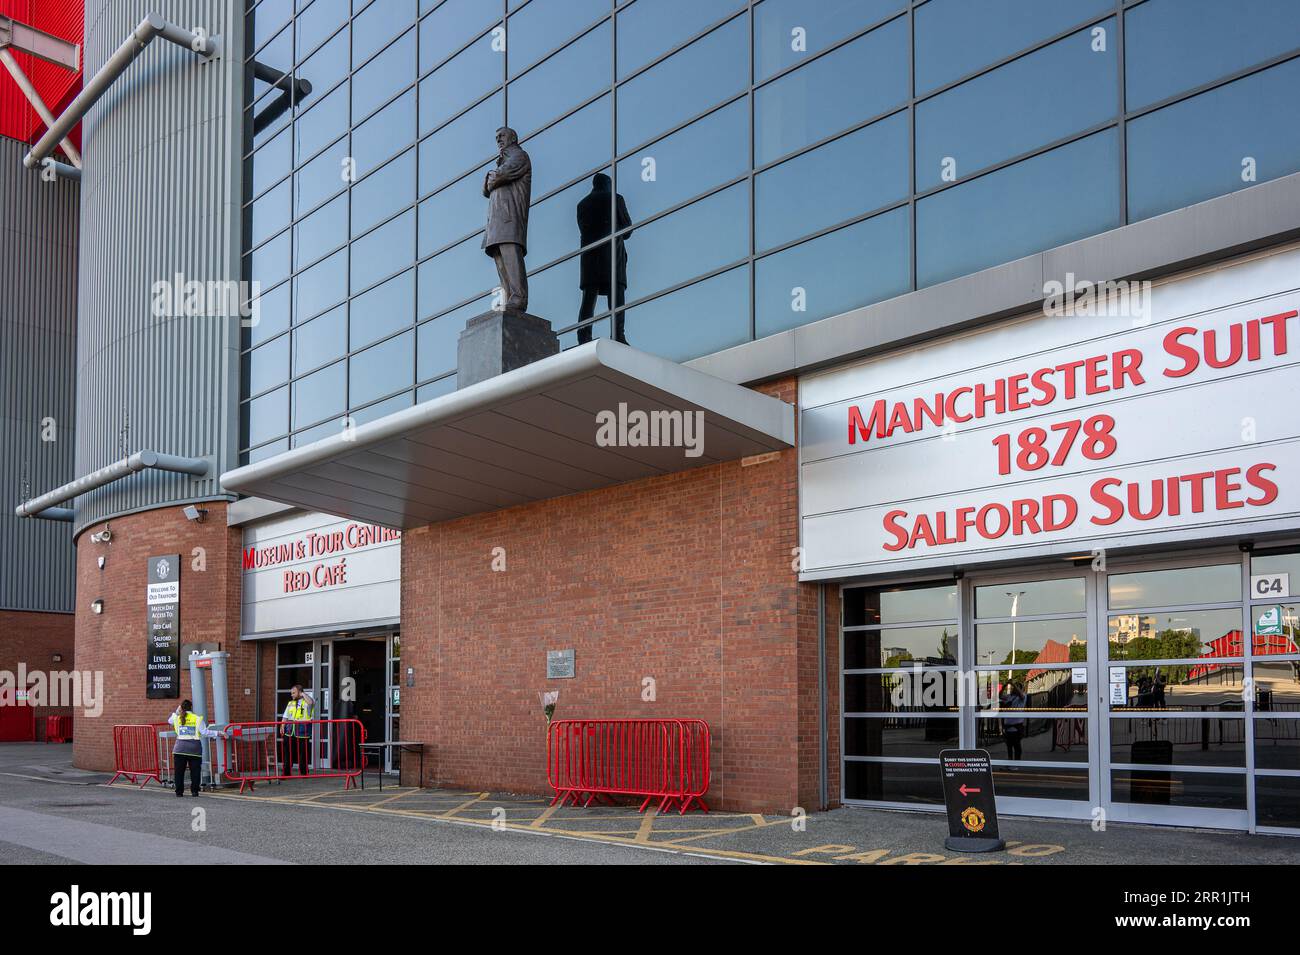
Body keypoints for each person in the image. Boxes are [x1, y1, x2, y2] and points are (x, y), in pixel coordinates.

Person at [575, 173, 633, 345]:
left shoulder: (582, 204)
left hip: (590, 258)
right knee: (616, 296)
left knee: (588, 298)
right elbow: (628, 230)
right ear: (607, 184)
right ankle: (618, 335)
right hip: (612, 255)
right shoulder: (616, 199)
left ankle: (584, 336)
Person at [482, 126, 532, 313]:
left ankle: (518, 297)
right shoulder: (502, 161)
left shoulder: (519, 155)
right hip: (497, 221)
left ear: (512, 138)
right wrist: (491, 177)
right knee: (500, 259)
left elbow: (497, 177)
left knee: (511, 257)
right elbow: (486, 189)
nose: (498, 140)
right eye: (496, 137)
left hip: (509, 219)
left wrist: (490, 176)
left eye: (501, 136)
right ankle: (509, 296)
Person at [168, 699, 211, 796]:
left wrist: (177, 711)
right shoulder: (197, 718)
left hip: (180, 749)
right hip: (194, 750)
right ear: (191, 707)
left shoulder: (177, 718)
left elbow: (169, 720)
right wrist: (219, 733)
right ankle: (195, 791)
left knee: (179, 772)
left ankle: (179, 792)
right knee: (195, 771)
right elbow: (205, 732)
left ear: (181, 708)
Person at [280, 685, 315, 776]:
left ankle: (304, 772)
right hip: (290, 731)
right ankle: (286, 772)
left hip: (303, 731)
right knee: (287, 753)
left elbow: (311, 702)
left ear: (299, 692)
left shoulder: (307, 702)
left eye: (294, 692)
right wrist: (282, 726)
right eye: (291, 693)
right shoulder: (290, 703)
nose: (292, 695)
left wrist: (302, 694)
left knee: (303, 753)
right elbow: (285, 716)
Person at [1001, 681, 1027, 760]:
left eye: (1017, 687)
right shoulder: (1009, 696)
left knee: (1016, 746)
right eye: (1014, 687)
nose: (1014, 689)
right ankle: (1010, 763)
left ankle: (1016, 764)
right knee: (1009, 746)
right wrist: (1005, 685)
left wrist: (1013, 684)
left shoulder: (1022, 697)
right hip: (1008, 726)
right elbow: (999, 695)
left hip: (1017, 726)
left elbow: (1021, 694)